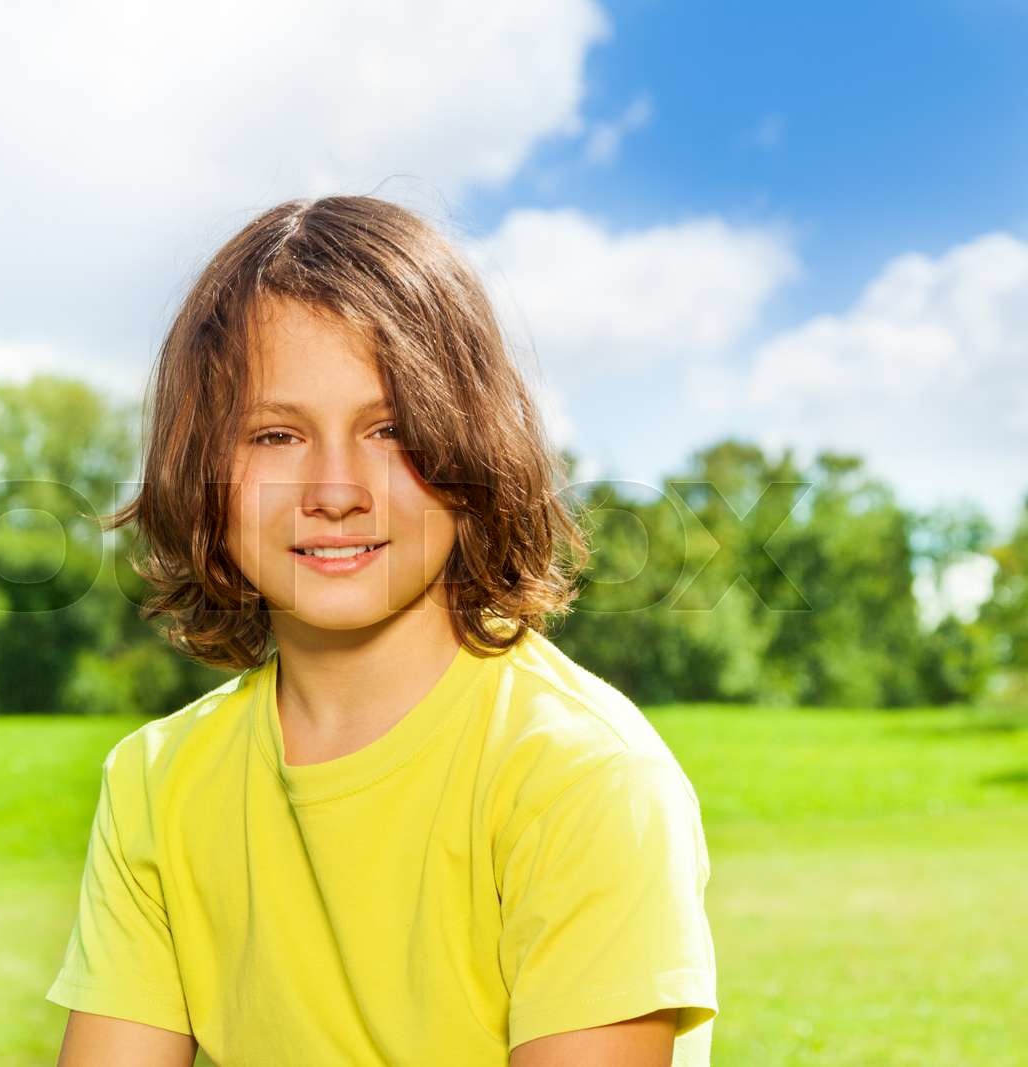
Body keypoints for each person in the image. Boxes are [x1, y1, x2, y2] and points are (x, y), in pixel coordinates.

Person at [45, 195, 718, 1066]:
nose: (335, 488)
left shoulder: (581, 776)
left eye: (390, 429)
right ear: (203, 466)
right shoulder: (156, 782)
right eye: (277, 434)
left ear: (471, 448)